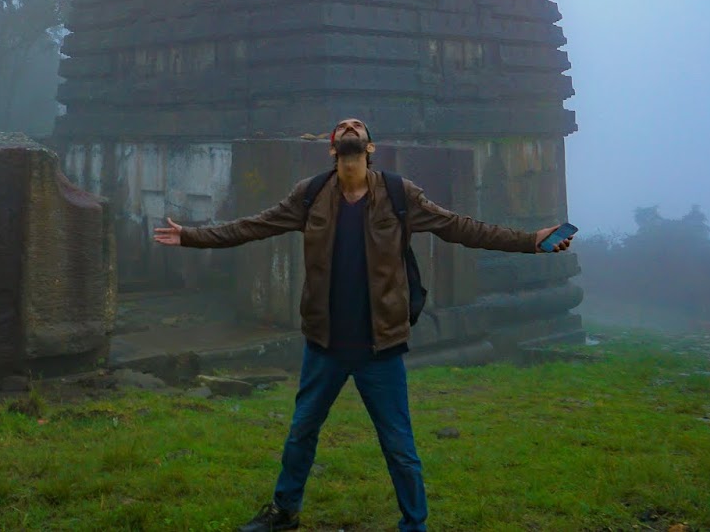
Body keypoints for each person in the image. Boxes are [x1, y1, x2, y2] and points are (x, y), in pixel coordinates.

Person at [152, 118, 574, 532]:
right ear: (333, 149)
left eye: (359, 127)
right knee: (301, 434)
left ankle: (415, 523)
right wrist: (192, 236)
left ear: (369, 148)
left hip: (381, 346)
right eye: (343, 128)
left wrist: (531, 241)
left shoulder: (398, 194)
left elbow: (461, 228)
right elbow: (252, 227)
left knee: (399, 447)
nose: (351, 126)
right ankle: (284, 512)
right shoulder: (311, 195)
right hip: (325, 343)